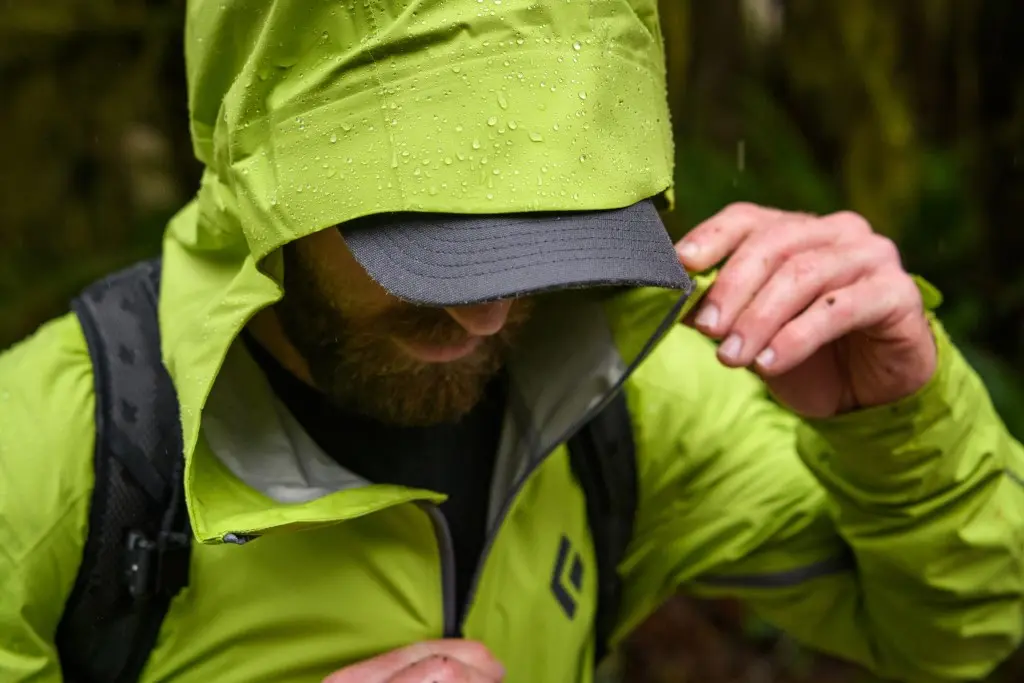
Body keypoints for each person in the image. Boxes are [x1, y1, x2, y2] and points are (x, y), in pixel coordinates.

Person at [1, 1, 1022, 682]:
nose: (489, 316)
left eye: (544, 240)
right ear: (264, 182)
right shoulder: (52, 457)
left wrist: (898, 423)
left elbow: (957, 630)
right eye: (429, 248)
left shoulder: (624, 399)